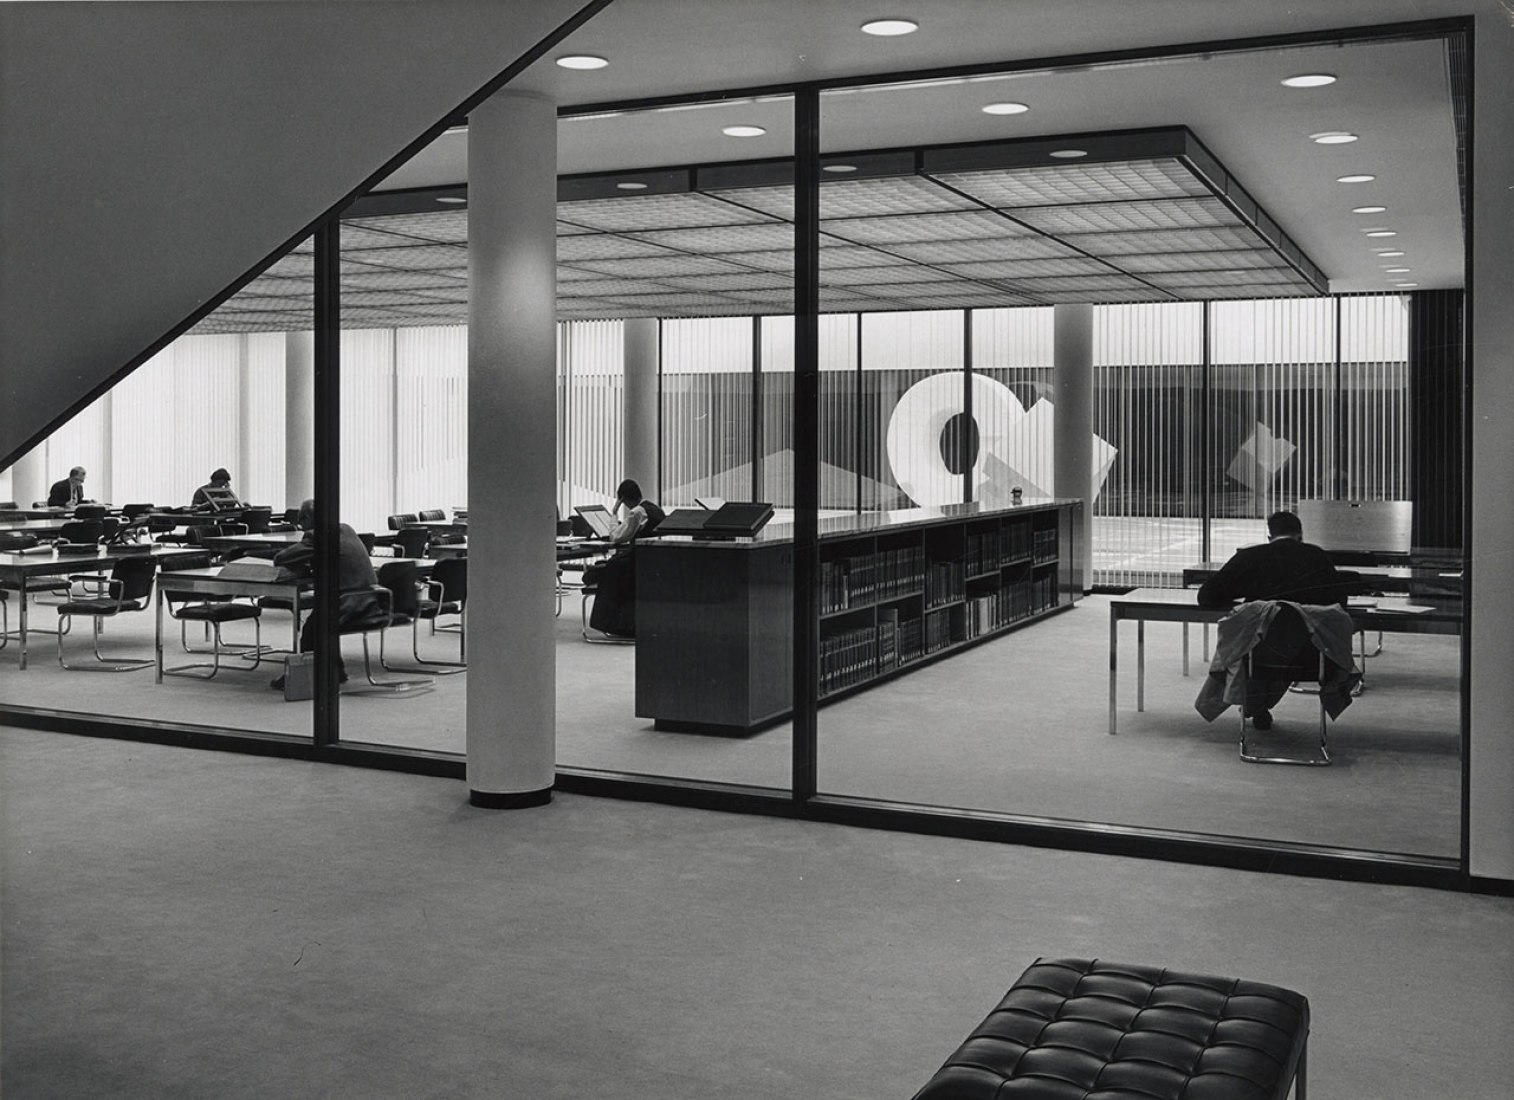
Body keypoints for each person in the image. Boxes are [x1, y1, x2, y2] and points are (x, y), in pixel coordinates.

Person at [1196, 510, 1359, 729]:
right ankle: (1257, 706)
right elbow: (1339, 605)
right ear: (1300, 536)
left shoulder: (1250, 556)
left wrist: (1247, 599)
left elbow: (1206, 596)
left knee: (1260, 644)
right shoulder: (1318, 557)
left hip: (1258, 653)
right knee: (1289, 638)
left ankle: (1255, 705)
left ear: (1269, 537)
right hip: (1313, 656)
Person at [268, 498, 381, 689]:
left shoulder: (317, 536)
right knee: (321, 621)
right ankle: (336, 671)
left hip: (348, 604)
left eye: (301, 521)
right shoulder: (346, 529)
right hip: (371, 602)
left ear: (307, 518)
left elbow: (281, 558)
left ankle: (304, 678)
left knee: (312, 629)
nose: (301, 527)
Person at [585, 479, 665, 637]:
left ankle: (608, 623)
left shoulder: (637, 512)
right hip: (649, 564)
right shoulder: (655, 509)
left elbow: (615, 537)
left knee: (603, 570)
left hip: (633, 567)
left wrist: (614, 513)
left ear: (623, 499)